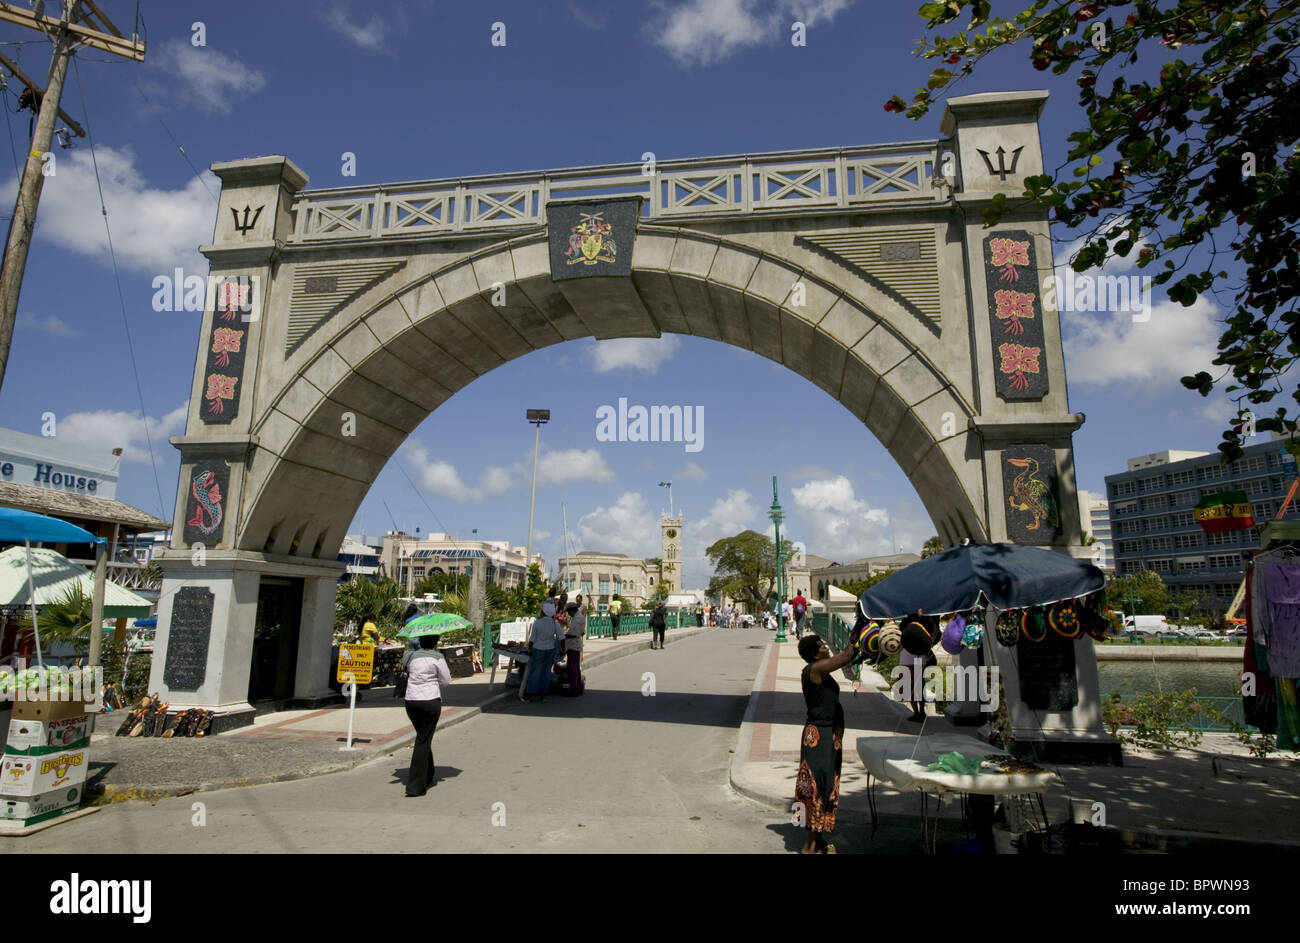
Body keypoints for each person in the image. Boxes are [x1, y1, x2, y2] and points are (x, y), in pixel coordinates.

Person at [794, 634, 853, 853]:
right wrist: (860, 630)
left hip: (829, 736)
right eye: (821, 646)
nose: (826, 647)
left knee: (827, 784)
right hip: (820, 736)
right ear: (813, 653)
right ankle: (809, 847)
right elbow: (846, 656)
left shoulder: (820, 670)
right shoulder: (814, 670)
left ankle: (817, 840)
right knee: (816, 785)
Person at [401, 634, 452, 797]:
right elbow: (446, 680)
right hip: (430, 700)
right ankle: (415, 786)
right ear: (436, 642)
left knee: (423, 737)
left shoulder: (410, 656)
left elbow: (405, 667)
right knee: (423, 740)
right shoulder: (437, 657)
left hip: (411, 701)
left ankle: (428, 774)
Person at [525, 600, 565, 701]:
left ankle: (531, 692)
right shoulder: (555, 624)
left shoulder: (537, 623)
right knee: (546, 671)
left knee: (535, 671)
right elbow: (562, 638)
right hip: (550, 649)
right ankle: (543, 693)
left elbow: (532, 639)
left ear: (543, 612)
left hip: (538, 649)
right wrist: (563, 649)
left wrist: (529, 649)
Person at [563, 595, 586, 696]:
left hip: (573, 645)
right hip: (575, 645)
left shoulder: (577, 619)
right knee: (575, 667)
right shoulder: (579, 617)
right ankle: (577, 687)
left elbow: (573, 633)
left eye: (569, 612)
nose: (569, 615)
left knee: (573, 667)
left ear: (572, 611)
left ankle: (574, 689)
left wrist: (564, 635)